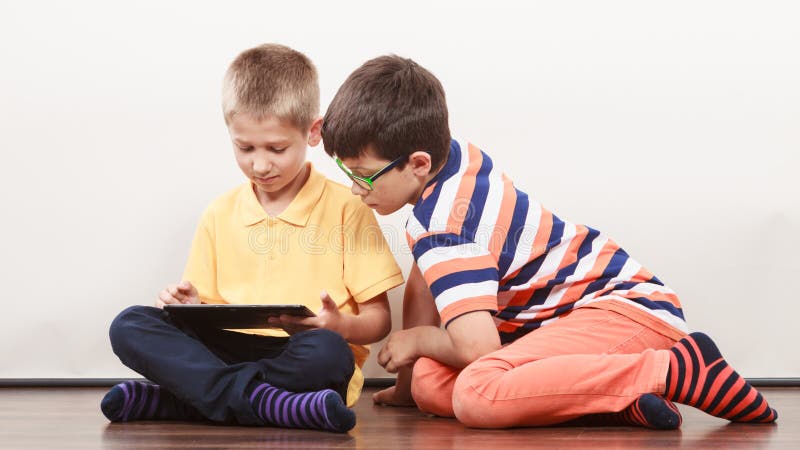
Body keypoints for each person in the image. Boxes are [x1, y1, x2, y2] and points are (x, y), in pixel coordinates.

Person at [320, 54, 778, 429]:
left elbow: (478, 350)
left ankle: (672, 371)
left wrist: (420, 338)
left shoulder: (445, 227)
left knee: (476, 393)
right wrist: (405, 384)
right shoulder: (453, 157)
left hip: (626, 314)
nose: (357, 189)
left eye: (363, 175)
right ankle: (619, 401)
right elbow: (426, 280)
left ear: (418, 163)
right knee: (429, 384)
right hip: (559, 326)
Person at [100, 44, 403, 433]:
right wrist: (190, 306)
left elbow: (378, 321)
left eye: (276, 148)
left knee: (327, 354)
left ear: (313, 132)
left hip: (302, 354)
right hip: (228, 351)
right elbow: (205, 312)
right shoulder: (219, 212)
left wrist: (338, 325)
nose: (259, 164)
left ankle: (181, 398)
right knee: (129, 325)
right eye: (244, 148)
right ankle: (269, 403)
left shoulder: (348, 207)